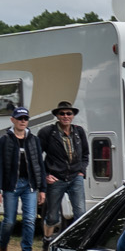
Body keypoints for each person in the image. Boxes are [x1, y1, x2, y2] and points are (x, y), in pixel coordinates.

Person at [0, 107, 46, 251]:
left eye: (25, 118)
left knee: (29, 220)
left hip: (29, 185)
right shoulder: (4, 140)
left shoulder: (34, 140)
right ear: (12, 120)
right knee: (9, 221)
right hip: (11, 186)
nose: (23, 121)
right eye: (19, 118)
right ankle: (3, 245)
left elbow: (40, 166)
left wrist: (42, 189)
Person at [40, 101, 88, 238]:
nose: (65, 116)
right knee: (52, 217)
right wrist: (45, 175)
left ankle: (76, 244)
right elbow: (36, 157)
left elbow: (85, 154)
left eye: (69, 113)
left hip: (75, 177)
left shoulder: (79, 132)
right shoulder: (47, 132)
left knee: (81, 213)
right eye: (62, 113)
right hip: (56, 178)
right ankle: (47, 242)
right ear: (57, 116)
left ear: (73, 115)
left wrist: (81, 171)